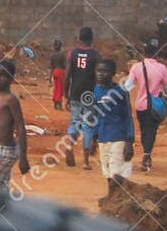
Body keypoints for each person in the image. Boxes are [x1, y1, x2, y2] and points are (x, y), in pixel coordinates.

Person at [126, 39, 167, 173]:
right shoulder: (161, 68)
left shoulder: (136, 67)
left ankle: (147, 153)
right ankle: (146, 156)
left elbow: (128, 86)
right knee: (151, 130)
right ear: (157, 54)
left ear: (144, 53)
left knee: (144, 130)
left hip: (140, 105)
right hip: (155, 106)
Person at [89, 58, 135, 189]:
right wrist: (93, 139)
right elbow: (94, 116)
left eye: (105, 71)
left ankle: (116, 197)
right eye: (98, 71)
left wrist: (129, 141)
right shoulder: (96, 91)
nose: (100, 74)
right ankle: (113, 198)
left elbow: (128, 117)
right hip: (102, 139)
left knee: (117, 175)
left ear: (113, 73)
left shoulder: (121, 92)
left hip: (118, 138)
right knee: (107, 173)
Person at [0, 60, 30, 188]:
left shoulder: (10, 99)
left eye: (2, 75)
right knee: (1, 188)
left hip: (2, 151)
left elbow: (20, 127)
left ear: (11, 78)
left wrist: (23, 157)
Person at [63, 27, 101, 168]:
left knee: (75, 122)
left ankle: (70, 145)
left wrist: (66, 95)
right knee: (88, 125)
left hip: (75, 93)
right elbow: (98, 77)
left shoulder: (72, 53)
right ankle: (85, 162)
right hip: (89, 94)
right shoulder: (95, 55)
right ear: (92, 38)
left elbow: (67, 76)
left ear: (79, 38)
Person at [49, 37, 66, 111]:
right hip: (60, 72)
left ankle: (55, 102)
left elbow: (51, 67)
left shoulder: (52, 55)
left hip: (54, 72)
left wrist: (50, 77)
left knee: (55, 88)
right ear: (60, 46)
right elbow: (65, 65)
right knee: (60, 88)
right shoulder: (62, 55)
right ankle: (59, 104)